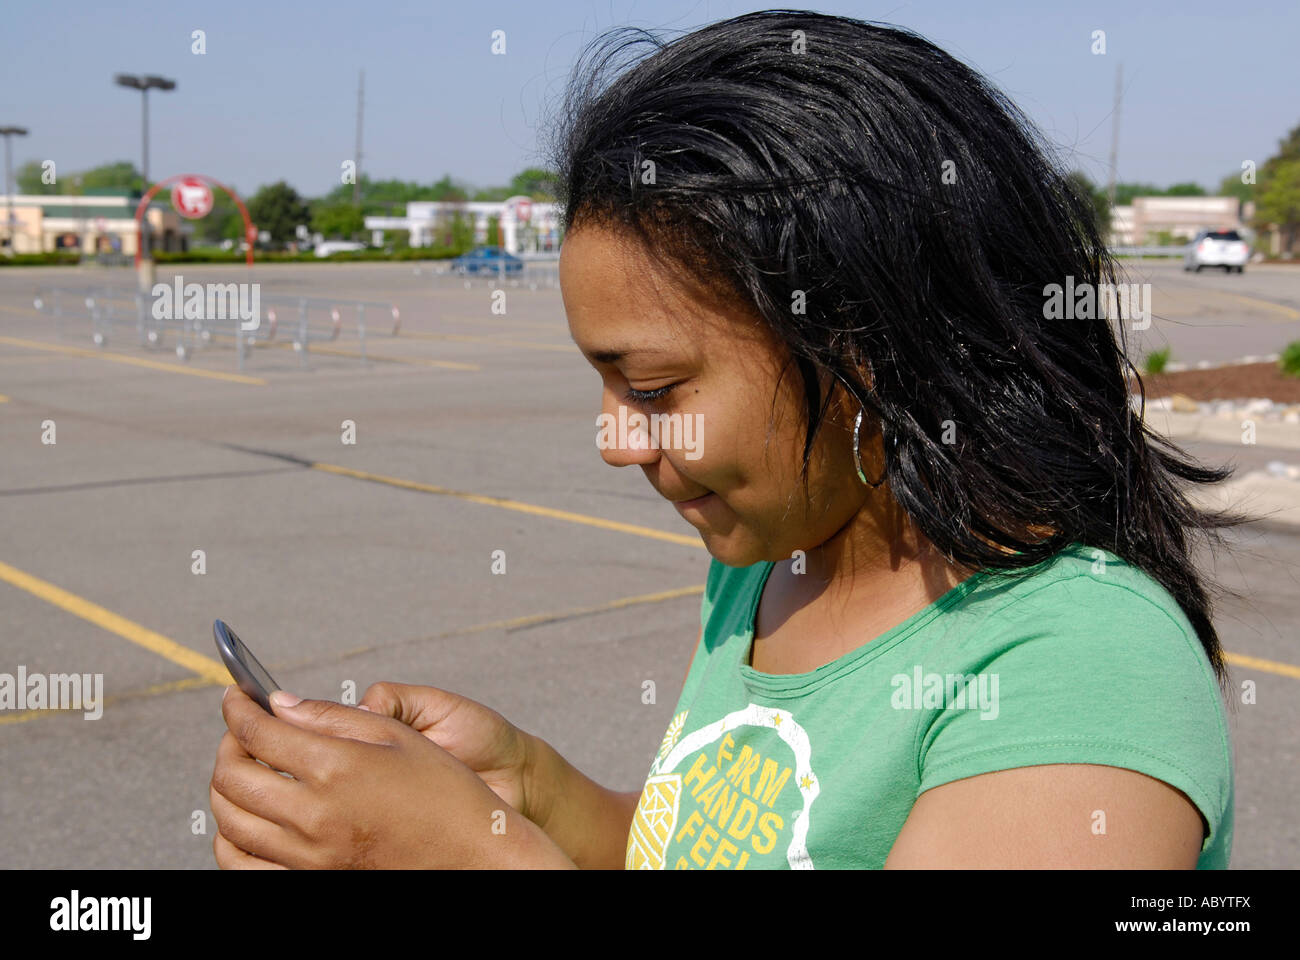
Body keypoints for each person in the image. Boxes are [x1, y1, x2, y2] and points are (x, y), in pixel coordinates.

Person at [211, 10, 1240, 869]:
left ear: (869, 351)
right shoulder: (765, 566)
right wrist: (526, 790)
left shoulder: (1081, 661)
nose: (616, 441)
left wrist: (470, 859)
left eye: (653, 386)